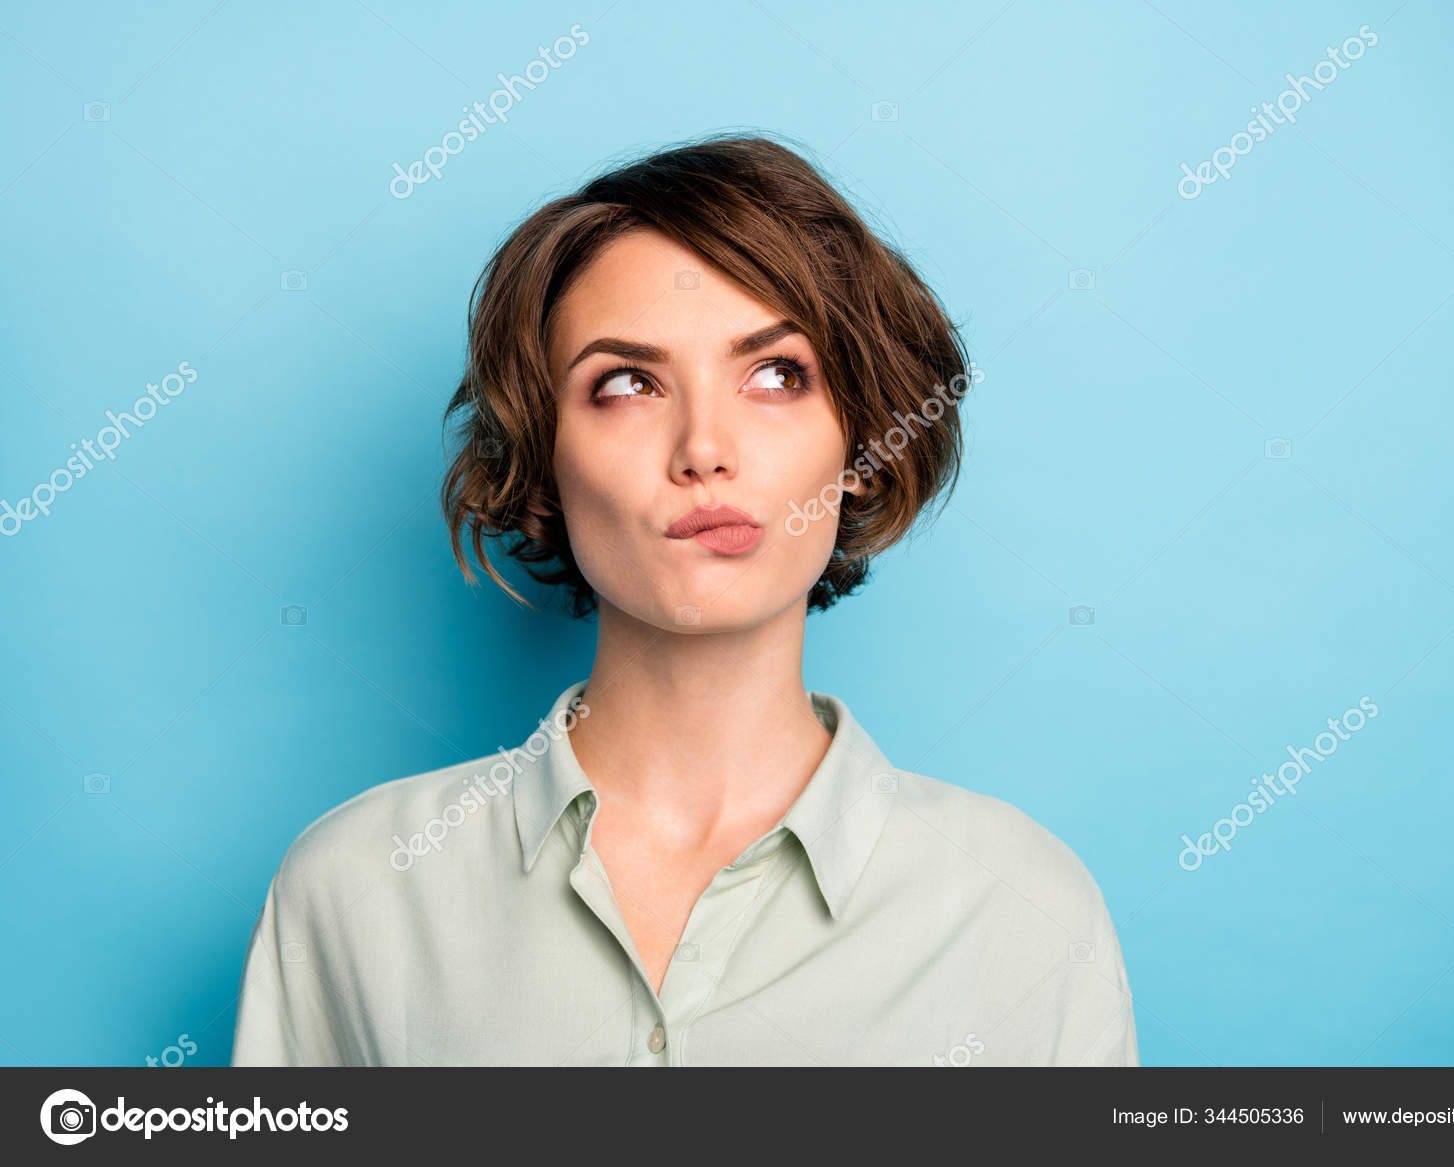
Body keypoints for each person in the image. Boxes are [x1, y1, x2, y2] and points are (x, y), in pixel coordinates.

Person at [231, 134, 1137, 1066]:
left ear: (862, 445)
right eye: (627, 384)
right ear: (544, 463)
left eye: (777, 375)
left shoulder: (1024, 911)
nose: (704, 448)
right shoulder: (354, 891)